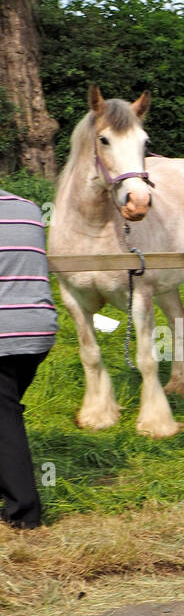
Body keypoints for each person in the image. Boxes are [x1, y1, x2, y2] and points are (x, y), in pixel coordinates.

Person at [0, 187, 58, 529]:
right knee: (4, 415)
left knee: (5, 424)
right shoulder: (29, 208)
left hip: (4, 333)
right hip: (37, 330)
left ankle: (24, 514)